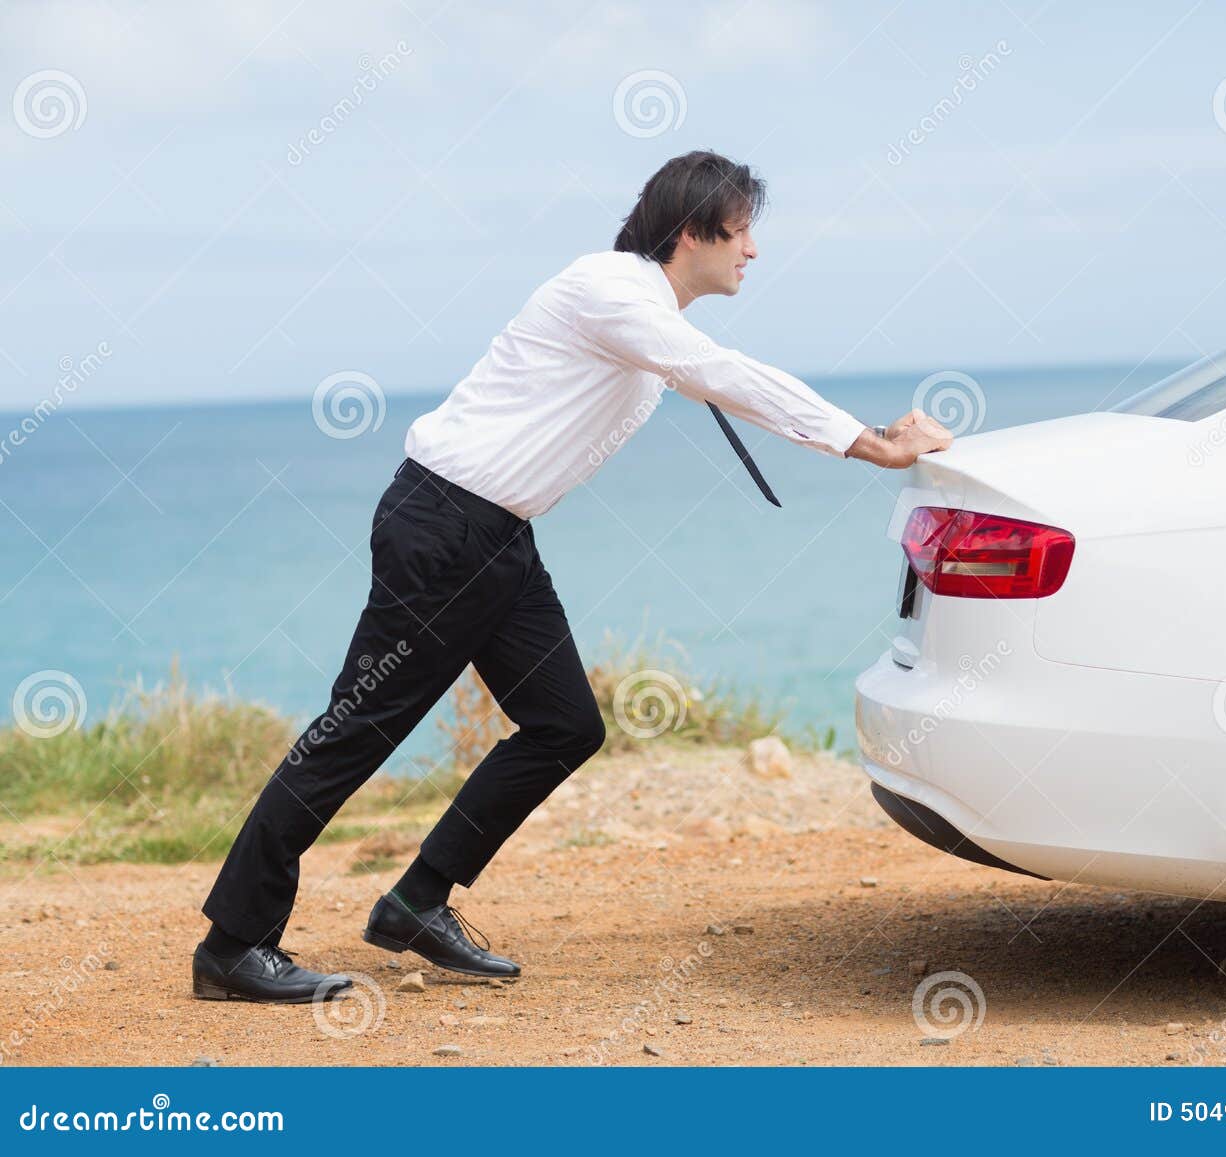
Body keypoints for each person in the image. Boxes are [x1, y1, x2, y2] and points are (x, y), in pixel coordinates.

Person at [193, 149, 954, 1003]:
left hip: (498, 538)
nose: (752, 252)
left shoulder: (645, 313)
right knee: (355, 730)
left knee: (564, 724)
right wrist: (871, 441)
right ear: (695, 229)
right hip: (443, 526)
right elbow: (724, 374)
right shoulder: (607, 290)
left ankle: (416, 899)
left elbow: (699, 367)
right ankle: (234, 942)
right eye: (742, 232)